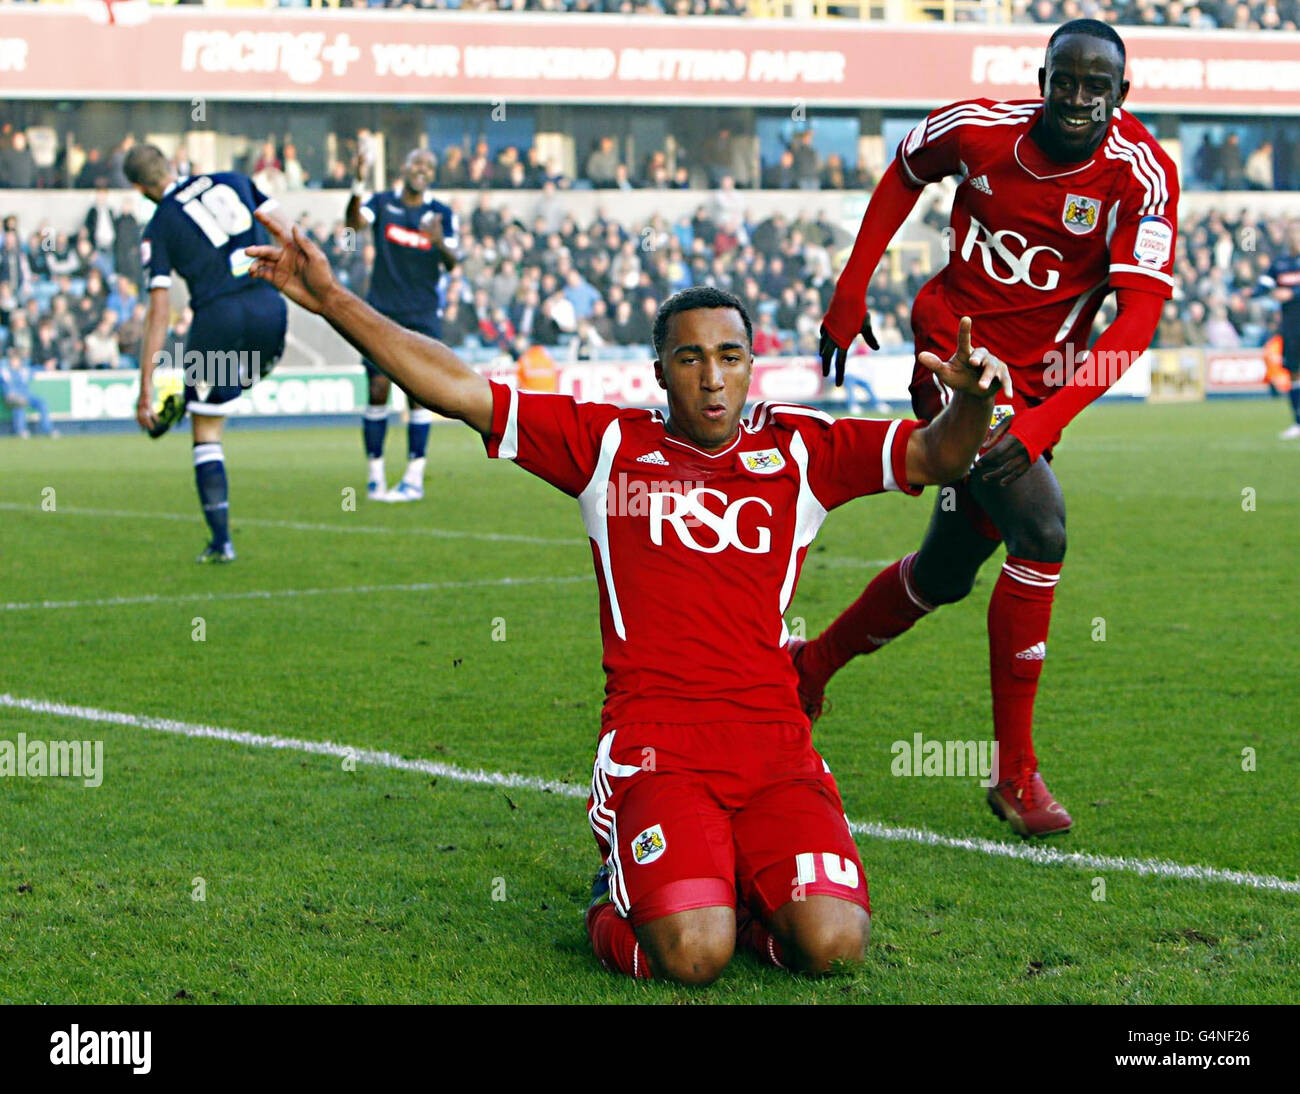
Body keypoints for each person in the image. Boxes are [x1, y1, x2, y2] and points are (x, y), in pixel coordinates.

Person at [246, 214, 1010, 985]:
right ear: (659, 371)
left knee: (833, 945)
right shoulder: (608, 448)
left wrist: (973, 401)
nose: (712, 378)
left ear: (753, 367)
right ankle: (617, 904)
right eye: (690, 358)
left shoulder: (801, 452)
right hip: (657, 747)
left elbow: (940, 453)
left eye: (729, 357)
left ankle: (736, 889)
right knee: (693, 957)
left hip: (773, 742)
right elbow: (457, 389)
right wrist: (335, 299)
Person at [806, 20, 1179, 837]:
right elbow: (904, 171)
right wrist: (851, 286)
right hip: (955, 355)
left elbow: (1134, 323)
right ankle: (1015, 775)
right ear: (1042, 76)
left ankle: (808, 667)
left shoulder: (1140, 178)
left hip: (1039, 388)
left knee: (943, 573)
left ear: (1122, 92)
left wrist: (1045, 419)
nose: (1078, 99)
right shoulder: (976, 128)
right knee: (1041, 529)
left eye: (1097, 86)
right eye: (1066, 80)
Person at [127, 142, 289, 563]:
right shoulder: (233, 179)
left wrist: (146, 387)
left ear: (141, 188)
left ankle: (221, 543)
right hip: (270, 308)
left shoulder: (159, 225)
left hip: (218, 318)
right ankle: (205, 391)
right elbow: (286, 230)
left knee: (207, 429)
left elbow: (159, 311)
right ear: (170, 165)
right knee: (232, 382)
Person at [346, 147, 458, 502]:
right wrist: (358, 180)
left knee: (418, 393)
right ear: (405, 167)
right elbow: (352, 223)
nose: (421, 169)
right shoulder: (381, 202)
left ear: (433, 174)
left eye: (428, 165)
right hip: (382, 311)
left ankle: (414, 476)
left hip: (422, 313)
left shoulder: (440, 213)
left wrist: (438, 241)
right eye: (416, 163)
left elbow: (453, 262)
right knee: (377, 388)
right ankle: (375, 475)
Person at [1260, 220, 1300, 437]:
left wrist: (1292, 294)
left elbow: (1289, 291)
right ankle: (1298, 422)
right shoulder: (1281, 263)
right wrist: (1248, 293)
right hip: (1291, 326)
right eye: (1292, 233)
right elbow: (1264, 284)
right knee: (1293, 372)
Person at [2, 347, 58, 437]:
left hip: (26, 396)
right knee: (19, 403)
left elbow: (37, 369)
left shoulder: (25, 371)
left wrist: (47, 367)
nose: (15, 362)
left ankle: (48, 429)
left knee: (42, 402)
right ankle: (20, 430)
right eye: (13, 359)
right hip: (12, 397)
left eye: (16, 359)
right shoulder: (5, 372)